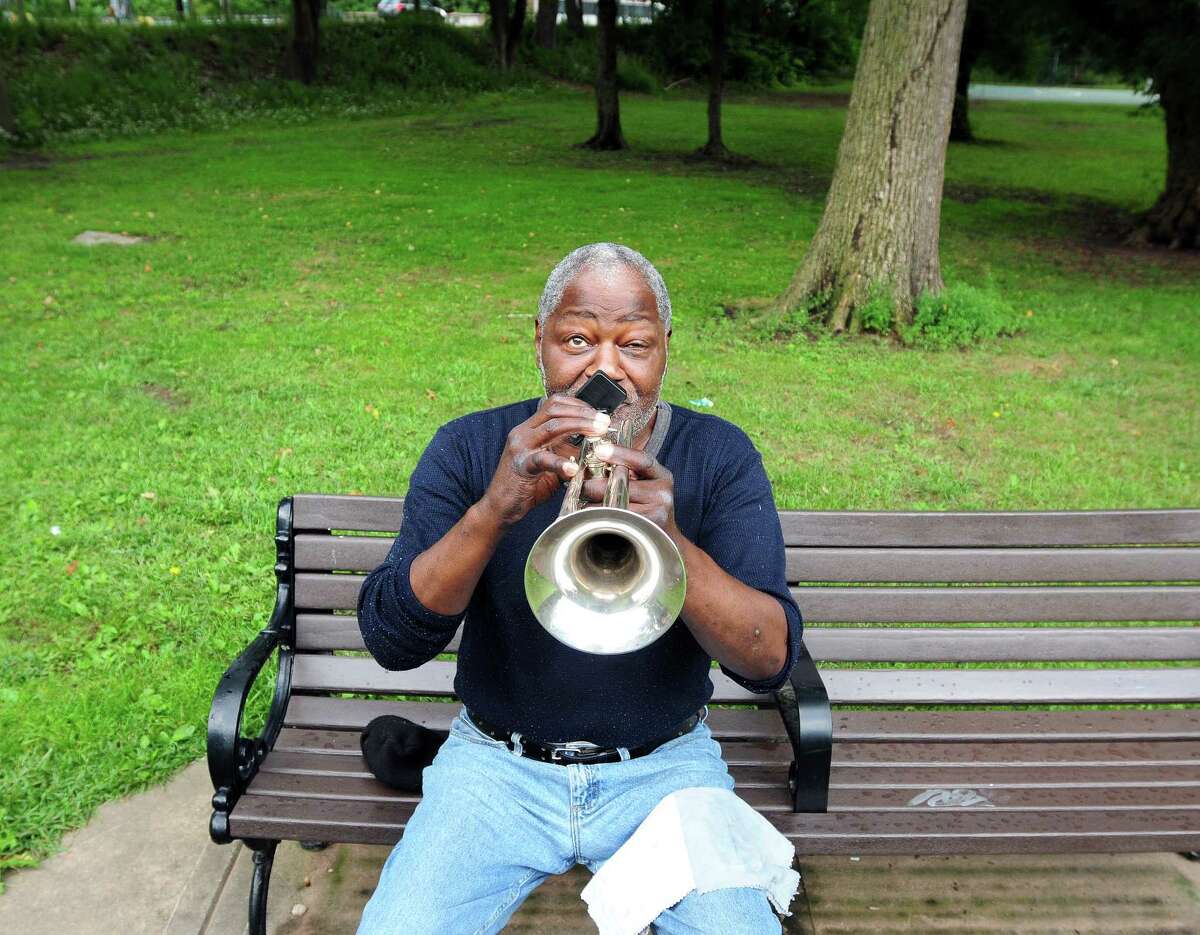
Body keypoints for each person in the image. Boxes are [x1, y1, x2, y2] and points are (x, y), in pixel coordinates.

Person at [355, 242, 804, 934]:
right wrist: (493, 509)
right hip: (494, 769)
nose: (606, 369)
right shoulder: (471, 448)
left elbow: (769, 655)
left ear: (664, 351)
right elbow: (391, 637)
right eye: (577, 339)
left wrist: (671, 540)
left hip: (666, 769)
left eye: (635, 343)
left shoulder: (719, 454)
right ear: (538, 342)